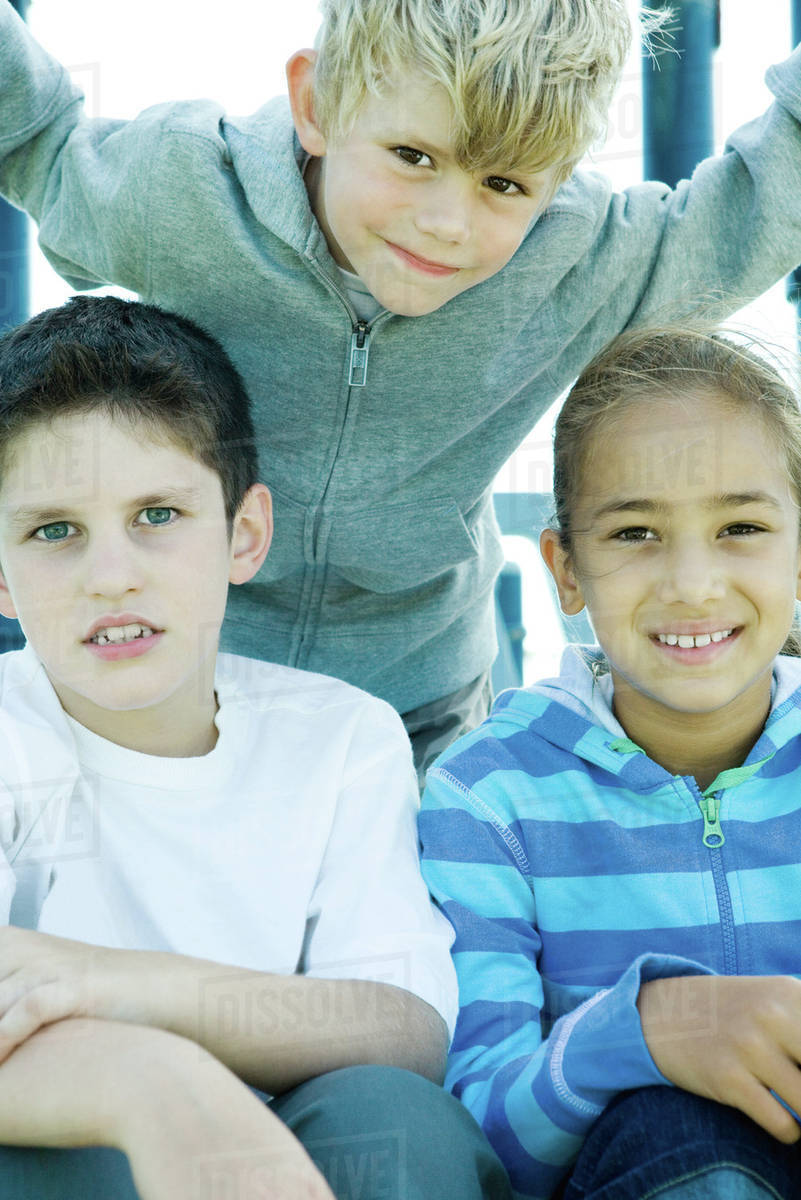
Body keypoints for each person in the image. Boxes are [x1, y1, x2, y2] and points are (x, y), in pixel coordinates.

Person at [3, 3, 801, 778]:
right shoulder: (183, 191)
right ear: (315, 104)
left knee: (423, 905)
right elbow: (40, 140)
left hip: (414, 705)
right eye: (412, 157)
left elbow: (743, 213)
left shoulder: (579, 257)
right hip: (176, 681)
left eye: (503, 184)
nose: (445, 222)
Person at [0, 294, 511, 1200]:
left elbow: (403, 1027)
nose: (110, 575)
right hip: (71, 1143)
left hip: (287, 1159)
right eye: (54, 531)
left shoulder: (342, 736)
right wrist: (156, 1085)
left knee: (395, 1122)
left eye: (157, 514)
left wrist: (111, 986)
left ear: (244, 534)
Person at [418, 324, 801, 1199]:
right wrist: (644, 1033)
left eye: (740, 525)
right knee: (669, 1118)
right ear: (565, 569)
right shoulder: (486, 797)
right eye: (634, 534)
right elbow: (480, 1139)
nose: (692, 584)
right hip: (655, 1175)